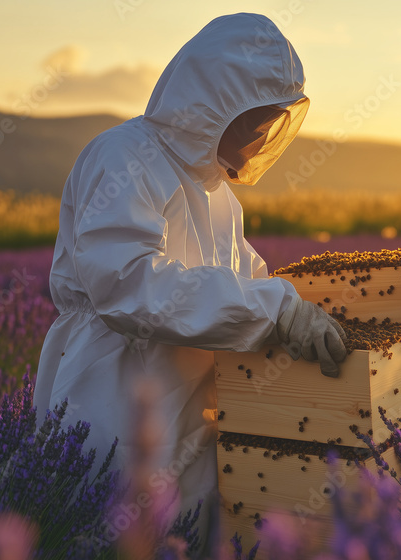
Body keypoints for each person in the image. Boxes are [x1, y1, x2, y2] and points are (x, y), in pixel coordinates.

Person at [33, 14, 347, 557]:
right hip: (114, 388)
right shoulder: (125, 156)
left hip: (194, 408)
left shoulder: (220, 197)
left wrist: (301, 309)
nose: (262, 135)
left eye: (272, 121)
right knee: (105, 532)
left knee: (187, 537)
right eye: (255, 119)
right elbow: (127, 283)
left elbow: (244, 280)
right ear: (215, 102)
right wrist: (271, 311)